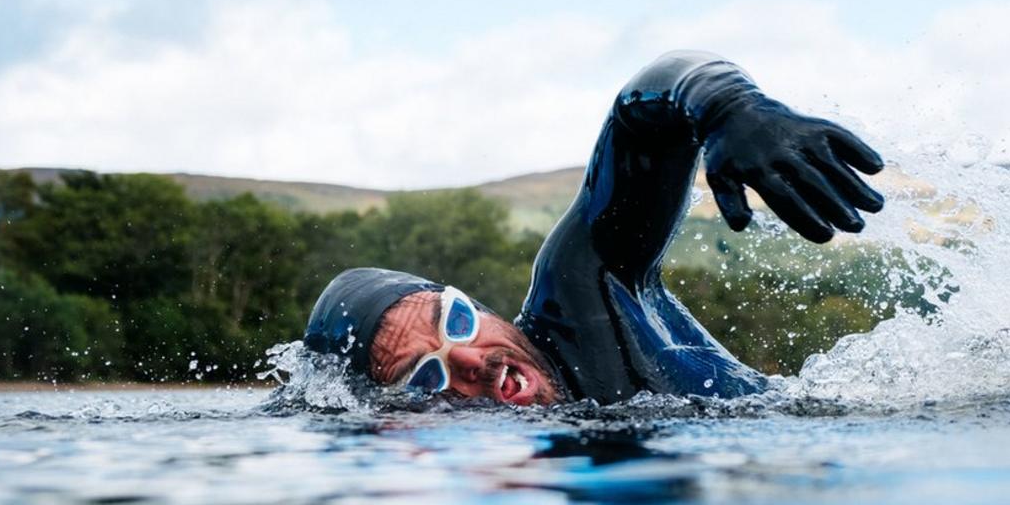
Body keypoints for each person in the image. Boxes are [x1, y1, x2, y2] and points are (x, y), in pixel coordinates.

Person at [303, 50, 885, 406]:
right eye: (425, 377)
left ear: (482, 306)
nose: (473, 361)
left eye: (457, 322)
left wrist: (727, 106)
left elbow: (641, 110)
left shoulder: (584, 288)